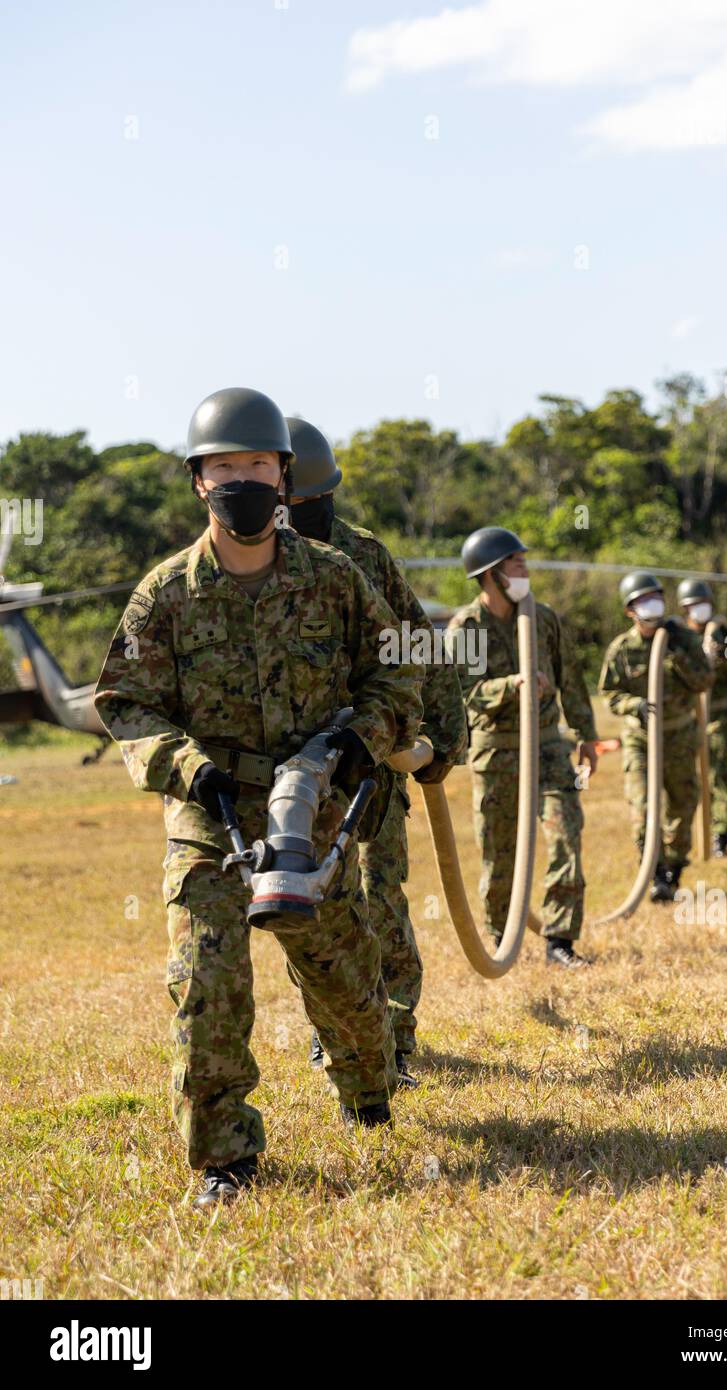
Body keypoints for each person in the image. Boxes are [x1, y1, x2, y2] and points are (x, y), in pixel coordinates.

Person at [95, 388, 423, 1211]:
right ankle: (224, 1157)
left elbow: (396, 668)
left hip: (314, 811)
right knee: (206, 978)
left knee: (344, 983)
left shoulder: (336, 578)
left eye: (256, 465)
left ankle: (367, 1084)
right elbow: (123, 703)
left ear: (284, 477)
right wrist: (181, 763)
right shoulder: (164, 593)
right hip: (210, 814)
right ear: (197, 481)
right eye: (223, 467)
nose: (240, 479)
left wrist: (364, 738)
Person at [286, 416, 467, 1083]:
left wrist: (443, 737)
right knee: (314, 903)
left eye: (313, 498)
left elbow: (420, 642)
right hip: (300, 768)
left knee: (380, 892)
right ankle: (333, 1032)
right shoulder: (252, 562)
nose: (310, 509)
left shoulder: (364, 555)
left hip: (376, 755)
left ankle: (394, 1039)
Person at [447, 527, 597, 968]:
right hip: (497, 755)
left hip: (549, 748)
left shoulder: (544, 618)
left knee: (566, 836)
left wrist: (585, 735)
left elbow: (572, 680)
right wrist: (512, 686)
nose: (525, 570)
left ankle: (560, 942)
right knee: (499, 856)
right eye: (517, 564)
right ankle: (500, 938)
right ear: (491, 574)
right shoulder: (466, 628)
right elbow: (464, 694)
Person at [599, 571, 712, 899]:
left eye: (656, 597)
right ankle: (654, 871)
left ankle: (674, 867)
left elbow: (705, 680)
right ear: (629, 609)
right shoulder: (622, 649)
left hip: (678, 735)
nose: (653, 604)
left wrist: (680, 662)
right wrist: (633, 704)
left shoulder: (683, 639)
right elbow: (609, 693)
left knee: (682, 802)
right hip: (640, 740)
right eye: (643, 599)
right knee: (643, 806)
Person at [676, 579, 727, 857]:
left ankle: (720, 836)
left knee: (722, 777)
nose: (700, 610)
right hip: (688, 719)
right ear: (685, 608)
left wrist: (719, 655)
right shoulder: (677, 637)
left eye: (703, 604)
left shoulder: (726, 635)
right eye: (694, 605)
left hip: (721, 717)